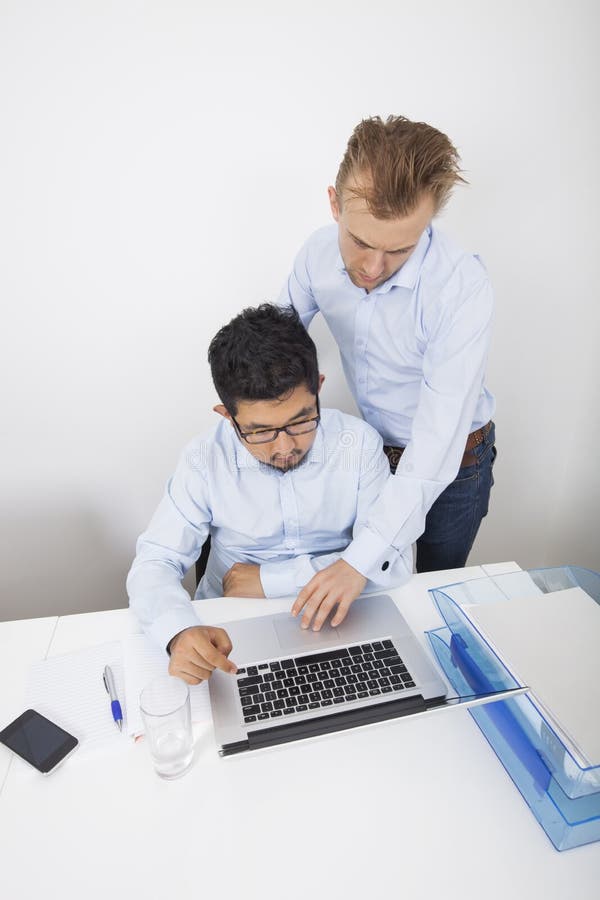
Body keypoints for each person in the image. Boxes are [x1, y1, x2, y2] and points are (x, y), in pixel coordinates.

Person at [279, 115, 496, 630]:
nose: (373, 268)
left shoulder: (460, 287)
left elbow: (436, 444)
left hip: (455, 463)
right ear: (334, 204)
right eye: (359, 241)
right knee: (371, 613)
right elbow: (276, 340)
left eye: (400, 249)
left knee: (432, 602)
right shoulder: (315, 254)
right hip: (368, 456)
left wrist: (358, 561)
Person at [127, 303, 412, 684]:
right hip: (231, 627)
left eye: (302, 420)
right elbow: (155, 561)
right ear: (227, 416)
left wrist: (269, 580)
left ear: (319, 388)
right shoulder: (203, 458)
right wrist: (177, 632)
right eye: (260, 431)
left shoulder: (358, 444)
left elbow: (395, 563)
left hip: (345, 615)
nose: (284, 447)